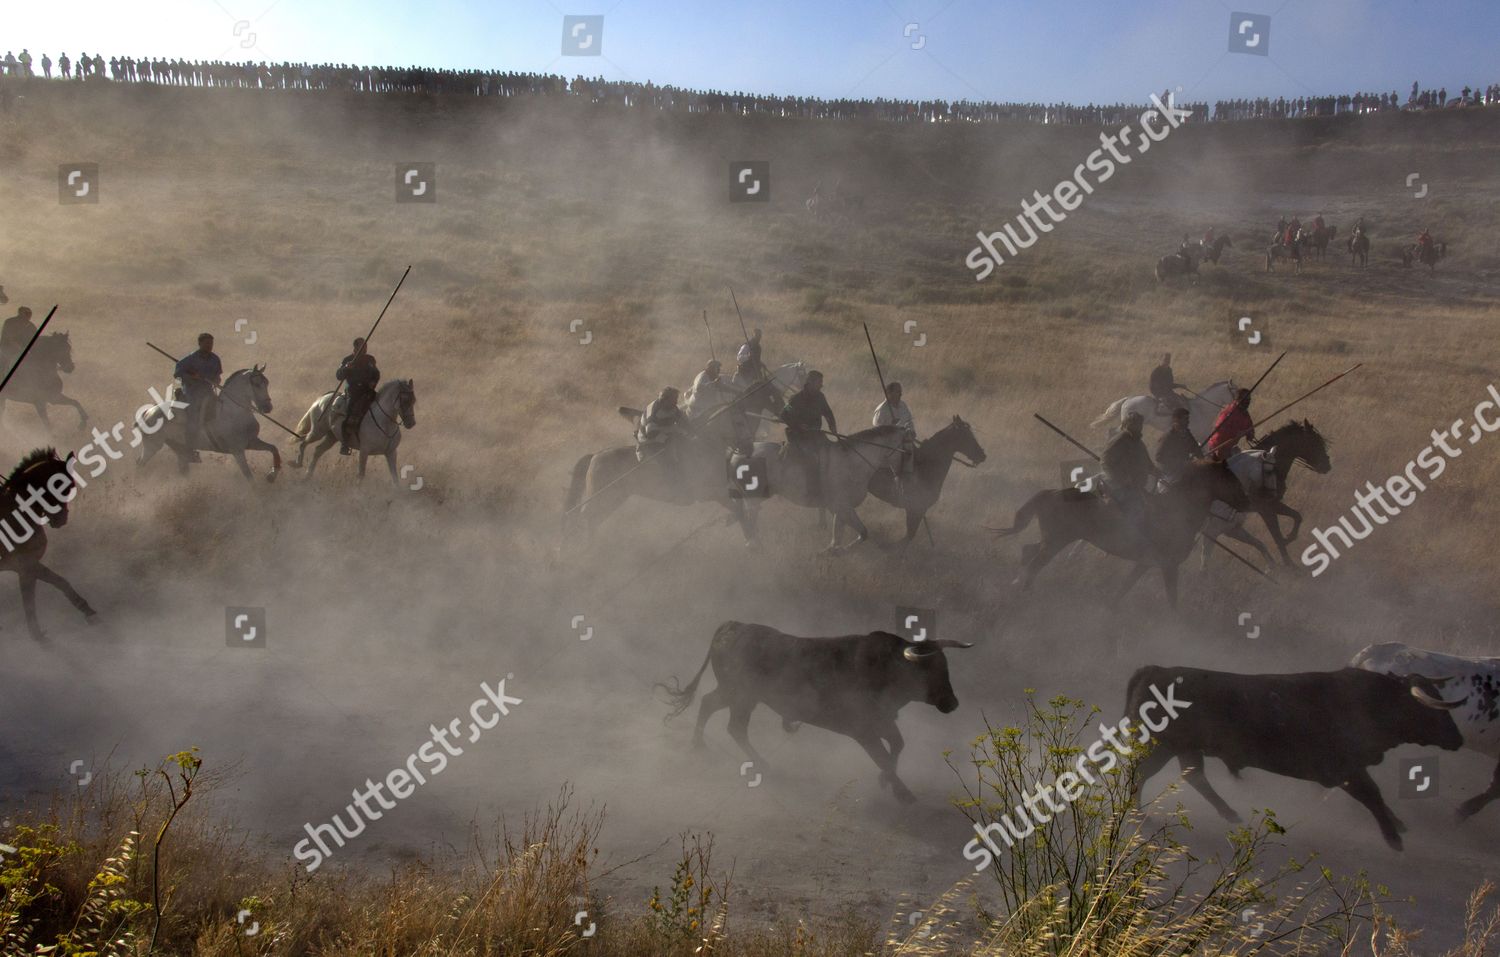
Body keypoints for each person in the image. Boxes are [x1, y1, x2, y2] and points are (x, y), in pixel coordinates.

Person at [1101, 411, 1158, 542]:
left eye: (1140, 424)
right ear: (1127, 424)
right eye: (1135, 424)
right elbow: (1105, 461)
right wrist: (1122, 479)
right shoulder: (1119, 440)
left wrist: (1155, 471)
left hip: (1137, 485)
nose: (1138, 427)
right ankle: (1130, 540)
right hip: (1123, 486)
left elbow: (1146, 461)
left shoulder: (1138, 441)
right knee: (1134, 512)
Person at [781, 370, 837, 500]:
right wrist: (798, 425)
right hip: (798, 437)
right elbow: (783, 414)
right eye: (819, 382)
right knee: (811, 460)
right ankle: (812, 491)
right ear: (810, 382)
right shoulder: (795, 399)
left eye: (821, 382)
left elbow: (828, 413)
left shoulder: (820, 397)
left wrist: (833, 426)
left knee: (832, 453)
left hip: (816, 435)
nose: (821, 385)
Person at [174, 333, 222, 463]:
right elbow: (177, 372)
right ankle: (189, 450)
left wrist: (216, 381)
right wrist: (192, 377)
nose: (209, 346)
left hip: (207, 391)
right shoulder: (190, 359)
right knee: (193, 417)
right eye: (207, 343)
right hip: (192, 392)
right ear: (200, 344)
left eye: (211, 344)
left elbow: (218, 376)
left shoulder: (215, 359)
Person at [335, 337, 380, 455]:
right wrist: (346, 368)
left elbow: (376, 374)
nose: (365, 349)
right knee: (350, 414)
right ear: (355, 347)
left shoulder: (370, 359)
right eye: (362, 347)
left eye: (365, 346)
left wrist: (373, 383)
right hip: (353, 391)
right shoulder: (348, 360)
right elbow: (339, 375)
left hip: (368, 390)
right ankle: (345, 444)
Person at [635, 386, 691, 464]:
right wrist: (668, 437)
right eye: (674, 399)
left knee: (682, 437)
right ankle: (673, 464)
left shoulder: (672, 407)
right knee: (674, 439)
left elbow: (682, 421)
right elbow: (650, 433)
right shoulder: (654, 410)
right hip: (647, 440)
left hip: (661, 433)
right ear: (665, 400)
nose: (676, 402)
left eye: (676, 399)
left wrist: (691, 431)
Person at [873, 381, 916, 475]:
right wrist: (892, 427)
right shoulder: (881, 410)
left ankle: (911, 476)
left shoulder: (903, 405)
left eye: (900, 392)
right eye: (897, 391)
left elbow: (909, 421)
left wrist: (912, 432)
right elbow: (877, 432)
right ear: (889, 393)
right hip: (888, 446)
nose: (900, 394)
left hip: (905, 441)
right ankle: (902, 477)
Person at [1206, 388, 1254, 460]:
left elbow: (1249, 425)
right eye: (1245, 399)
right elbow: (1219, 428)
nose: (1247, 402)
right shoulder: (1228, 412)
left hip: (1230, 447)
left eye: (1249, 399)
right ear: (1238, 399)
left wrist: (1250, 433)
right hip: (1218, 446)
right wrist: (1236, 433)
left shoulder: (1244, 413)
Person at [1154, 407, 1198, 481]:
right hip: (1171, 474)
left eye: (1188, 419)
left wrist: (1203, 460)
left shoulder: (1186, 433)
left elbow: (1195, 447)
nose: (1188, 421)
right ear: (1177, 420)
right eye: (1185, 419)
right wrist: (1181, 462)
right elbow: (1159, 457)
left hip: (1185, 469)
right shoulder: (1168, 437)